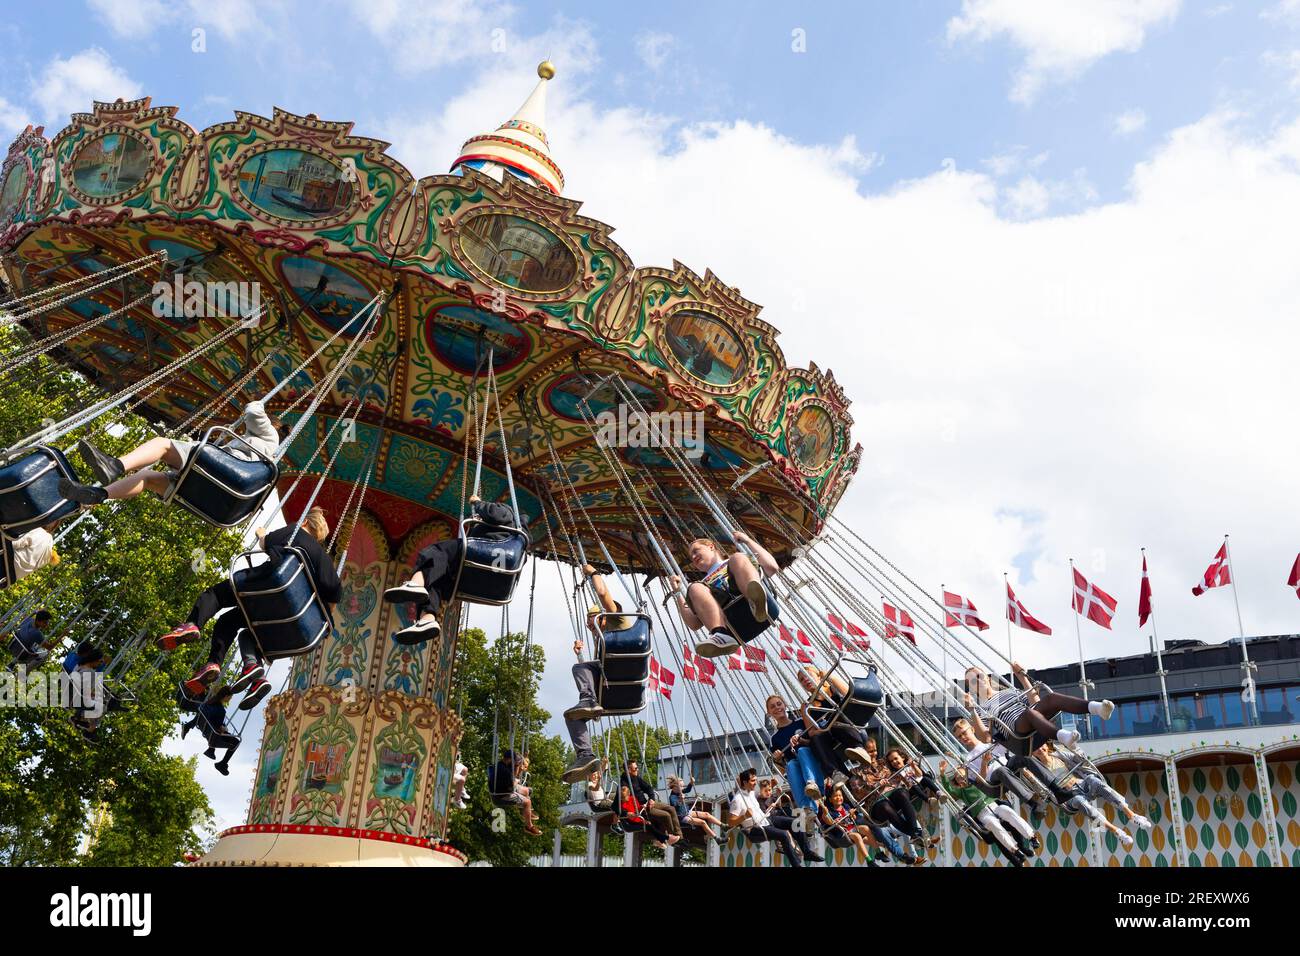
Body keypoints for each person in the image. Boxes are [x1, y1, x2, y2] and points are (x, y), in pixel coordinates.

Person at [157, 507, 340, 708]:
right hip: (287, 615)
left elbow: (266, 543)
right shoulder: (323, 559)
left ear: (306, 522)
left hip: (267, 586)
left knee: (216, 595)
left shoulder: (296, 531)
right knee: (237, 627)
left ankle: (192, 625)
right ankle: (249, 670)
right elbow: (334, 595)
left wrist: (261, 534)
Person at [59, 401, 280, 506]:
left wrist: (258, 401)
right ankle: (99, 495)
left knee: (162, 445)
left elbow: (252, 412)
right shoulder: (263, 462)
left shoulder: (270, 435)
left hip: (218, 469)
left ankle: (115, 465)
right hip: (210, 496)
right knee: (147, 478)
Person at [383, 495, 520, 644]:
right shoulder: (516, 539)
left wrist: (478, 503)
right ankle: (427, 619)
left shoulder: (507, 511)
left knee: (436, 550)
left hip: (484, 552)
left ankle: (416, 583)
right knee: (436, 581)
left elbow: (496, 514)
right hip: (484, 579)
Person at [561, 564, 635, 783]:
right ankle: (585, 755)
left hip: (619, 681)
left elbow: (603, 594)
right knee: (572, 717)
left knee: (579, 671)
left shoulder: (619, 622)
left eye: (592, 618)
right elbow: (591, 673)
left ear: (605, 615)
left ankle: (589, 701)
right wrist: (580, 656)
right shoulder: (602, 643)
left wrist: (592, 572)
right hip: (610, 689)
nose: (588, 623)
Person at [668, 531, 779, 659]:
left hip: (752, 602)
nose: (693, 557)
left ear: (711, 546)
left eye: (696, 551)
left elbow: (771, 567)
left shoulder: (734, 561)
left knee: (737, 558)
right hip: (732, 624)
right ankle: (720, 633)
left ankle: (755, 600)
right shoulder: (702, 586)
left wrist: (747, 540)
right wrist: (678, 593)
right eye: (691, 557)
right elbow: (694, 623)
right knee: (694, 587)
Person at [972, 661, 1114, 751]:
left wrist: (1022, 677)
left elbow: (1035, 702)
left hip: (1032, 716)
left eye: (979, 676)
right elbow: (986, 738)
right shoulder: (981, 709)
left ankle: (1097, 708)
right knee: (1029, 714)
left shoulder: (1010, 691)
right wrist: (971, 710)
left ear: (987, 676)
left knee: (1051, 698)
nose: (977, 681)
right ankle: (1062, 736)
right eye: (972, 681)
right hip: (1016, 732)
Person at [1033, 742, 1138, 848]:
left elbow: (1079, 759)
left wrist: (1074, 747)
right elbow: (1041, 788)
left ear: (1046, 746)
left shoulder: (1059, 755)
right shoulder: (1037, 769)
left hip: (1080, 784)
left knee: (1094, 780)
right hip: (1068, 796)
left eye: (1041, 745)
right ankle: (1117, 831)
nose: (1040, 749)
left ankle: (1131, 814)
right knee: (1080, 802)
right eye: (1036, 749)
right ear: (1033, 753)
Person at [938, 758, 1037, 866]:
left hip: (994, 806)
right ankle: (1015, 851)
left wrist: (954, 757)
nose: (961, 779)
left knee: (1008, 812)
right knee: (994, 826)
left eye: (962, 776)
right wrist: (942, 774)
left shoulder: (977, 781)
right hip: (983, 814)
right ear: (957, 782)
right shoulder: (961, 792)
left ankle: (1031, 837)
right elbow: (949, 789)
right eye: (958, 778)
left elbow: (969, 765)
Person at [726, 767, 824, 867]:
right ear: (744, 782)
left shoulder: (750, 792)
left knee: (797, 823)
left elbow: (763, 794)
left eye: (755, 780)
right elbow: (730, 822)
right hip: (755, 829)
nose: (755, 783)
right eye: (753, 781)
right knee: (784, 835)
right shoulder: (737, 800)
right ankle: (796, 864)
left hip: (766, 820)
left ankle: (807, 852)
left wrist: (772, 785)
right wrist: (744, 816)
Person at [794, 666, 873, 774]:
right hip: (830, 737)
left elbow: (852, 695)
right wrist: (826, 728)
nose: (805, 680)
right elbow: (811, 731)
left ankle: (859, 749)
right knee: (816, 738)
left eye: (808, 675)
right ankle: (836, 773)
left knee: (835, 718)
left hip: (851, 729)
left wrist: (830, 677)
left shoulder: (832, 688)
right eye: (802, 680)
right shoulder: (806, 706)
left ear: (818, 676)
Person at [765, 694, 824, 809]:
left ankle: (812, 782)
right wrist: (778, 757)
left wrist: (801, 740)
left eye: (779, 704)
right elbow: (781, 766)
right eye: (772, 707)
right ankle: (807, 808)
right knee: (791, 764)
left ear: (785, 705)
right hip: (797, 766)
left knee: (802, 751)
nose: (777, 708)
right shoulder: (775, 738)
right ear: (769, 712)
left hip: (813, 760)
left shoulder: (801, 722)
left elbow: (816, 740)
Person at [620, 760, 681, 844]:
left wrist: (651, 798)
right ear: (629, 770)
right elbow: (626, 802)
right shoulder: (624, 785)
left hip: (647, 802)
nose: (637, 770)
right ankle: (671, 838)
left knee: (671, 809)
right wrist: (639, 807)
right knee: (666, 815)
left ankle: (679, 836)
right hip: (641, 808)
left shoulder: (636, 778)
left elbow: (648, 788)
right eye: (635, 768)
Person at [488, 749, 542, 836]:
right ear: (510, 760)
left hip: (502, 789)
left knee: (528, 791)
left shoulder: (501, 764)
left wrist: (523, 759)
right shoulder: (505, 771)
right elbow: (512, 787)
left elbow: (511, 779)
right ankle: (529, 826)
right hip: (501, 796)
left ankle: (526, 812)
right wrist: (516, 780)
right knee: (528, 802)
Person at [667, 775, 727, 844]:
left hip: (687, 812)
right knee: (703, 822)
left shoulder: (679, 791)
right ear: (675, 787)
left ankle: (723, 825)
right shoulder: (672, 797)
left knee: (706, 814)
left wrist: (691, 783)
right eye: (681, 786)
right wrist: (680, 800)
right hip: (682, 817)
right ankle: (717, 839)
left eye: (683, 786)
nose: (682, 788)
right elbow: (675, 806)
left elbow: (688, 789)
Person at [194, 686, 240, 775]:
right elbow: (219, 727)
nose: (230, 699)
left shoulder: (208, 702)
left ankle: (211, 750)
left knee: (224, 730)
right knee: (236, 742)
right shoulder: (221, 711)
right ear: (226, 696)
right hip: (214, 735)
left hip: (205, 727)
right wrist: (224, 729)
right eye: (230, 697)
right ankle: (222, 764)